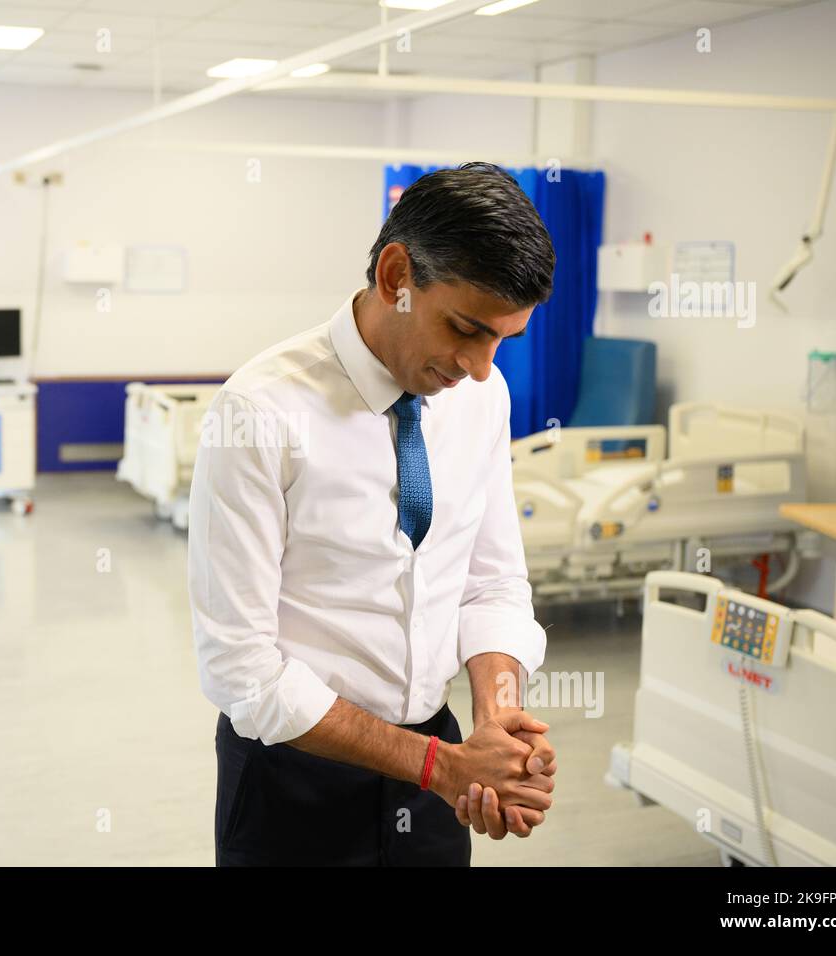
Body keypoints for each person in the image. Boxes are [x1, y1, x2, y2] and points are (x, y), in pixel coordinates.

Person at [188, 162, 558, 866]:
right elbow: (242, 668)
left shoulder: (482, 397)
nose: (481, 366)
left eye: (502, 342)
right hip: (292, 781)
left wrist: (500, 722)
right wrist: (440, 766)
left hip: (436, 769)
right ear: (396, 278)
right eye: (466, 329)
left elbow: (491, 583)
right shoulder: (260, 412)